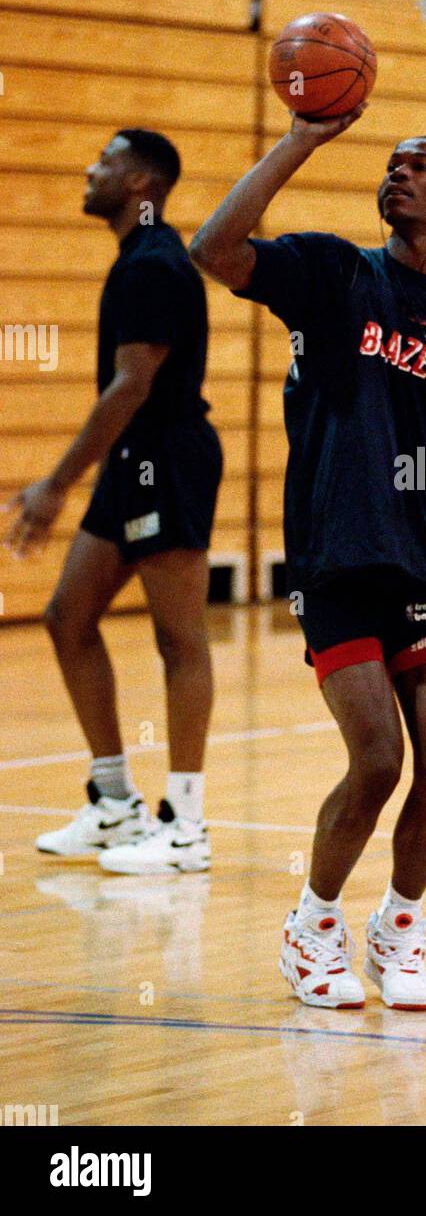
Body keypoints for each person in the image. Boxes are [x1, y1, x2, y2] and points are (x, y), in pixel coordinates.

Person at [190, 108, 426, 1008]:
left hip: (424, 566)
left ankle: (399, 924)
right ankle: (311, 925)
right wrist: (302, 139)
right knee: (376, 759)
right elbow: (214, 250)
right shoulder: (334, 272)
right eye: (391, 164)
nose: (397, 174)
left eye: (420, 167)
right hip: (335, 554)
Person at [4, 130, 223, 874]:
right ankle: (114, 803)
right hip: (135, 461)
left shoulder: (157, 263)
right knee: (68, 615)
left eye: (105, 160)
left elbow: (131, 387)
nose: (89, 167)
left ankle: (186, 824)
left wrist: (56, 484)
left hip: (169, 459)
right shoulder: (138, 258)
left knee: (177, 638)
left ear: (141, 184)